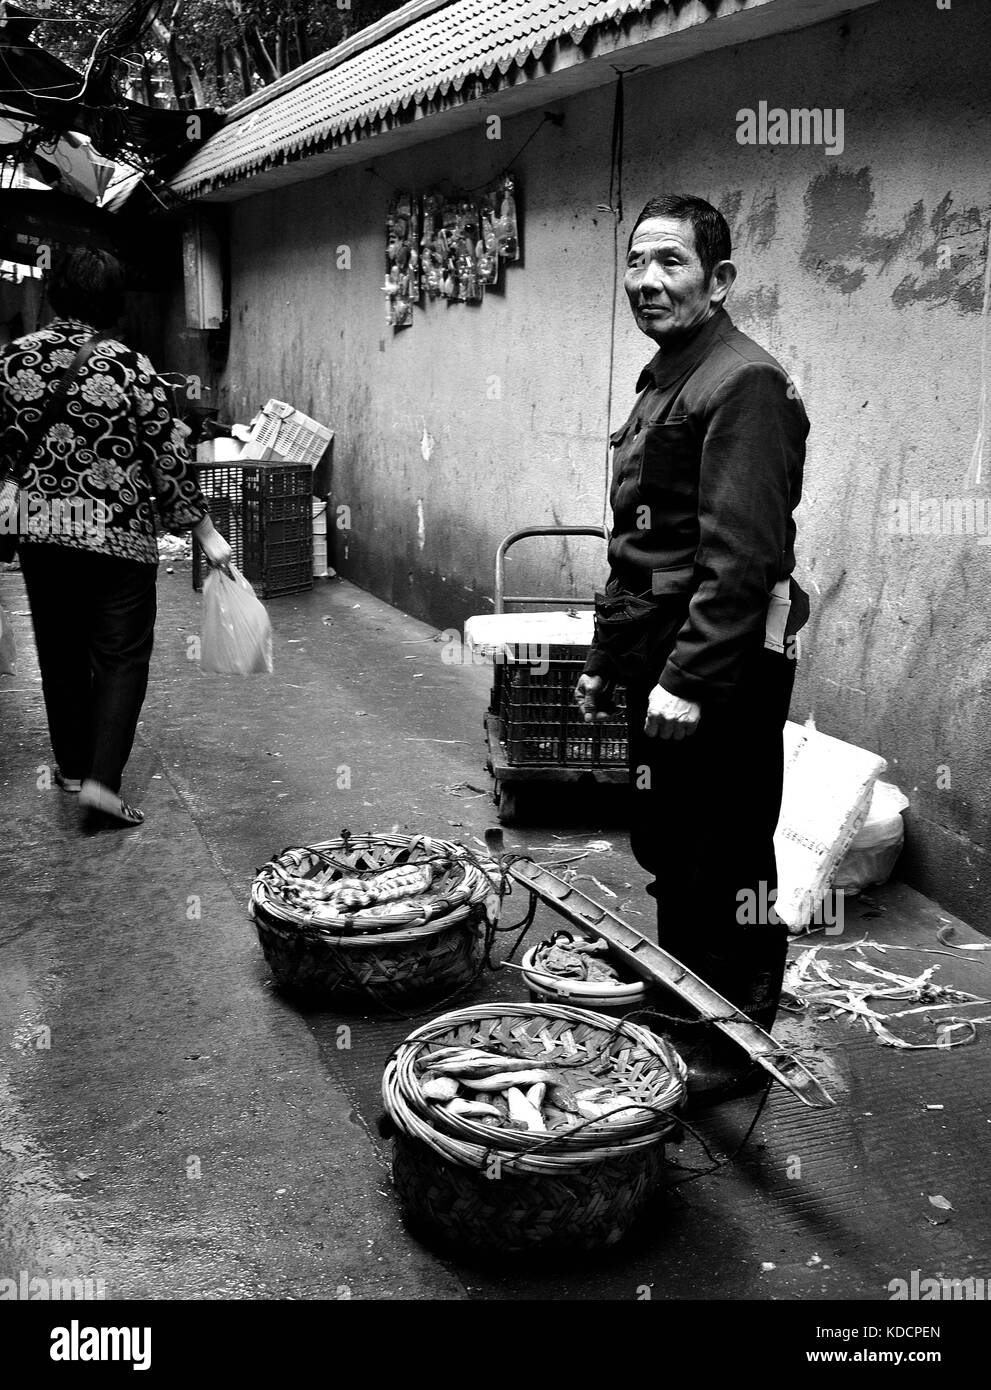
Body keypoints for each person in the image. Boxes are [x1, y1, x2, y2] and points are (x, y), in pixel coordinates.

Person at [575, 194, 810, 1106]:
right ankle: (684, 997)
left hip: (715, 663)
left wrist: (688, 679)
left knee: (723, 846)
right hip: (659, 649)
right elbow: (640, 545)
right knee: (672, 839)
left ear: (719, 281)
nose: (646, 281)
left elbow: (740, 556)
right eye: (636, 263)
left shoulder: (744, 382)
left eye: (669, 262)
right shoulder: (666, 375)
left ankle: (734, 1034)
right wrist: (606, 655)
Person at [0, 246, 231, 826]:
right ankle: (101, 786)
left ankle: (74, 767)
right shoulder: (133, 368)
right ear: (112, 303)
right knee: (121, 656)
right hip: (118, 538)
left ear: (54, 295)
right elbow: (166, 458)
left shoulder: (11, 363)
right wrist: (204, 532)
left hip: (42, 533)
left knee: (58, 650)